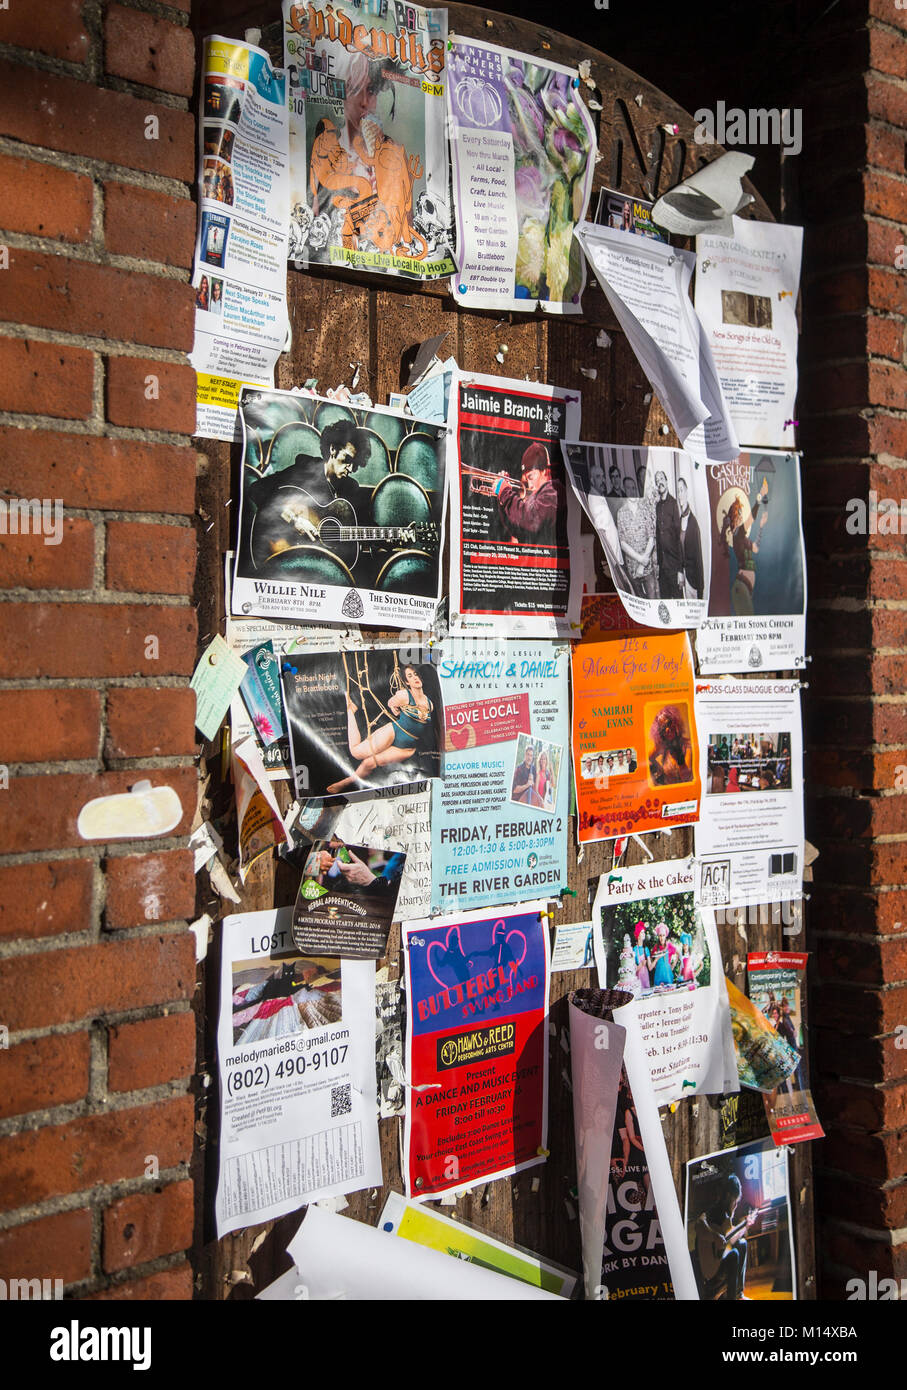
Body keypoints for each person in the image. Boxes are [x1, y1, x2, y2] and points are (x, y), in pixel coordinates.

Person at [326, 663, 435, 793]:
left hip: (407, 747)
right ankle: (351, 709)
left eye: (416, 674)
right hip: (394, 732)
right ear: (407, 681)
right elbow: (391, 703)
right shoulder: (404, 695)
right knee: (356, 752)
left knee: (369, 763)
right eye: (410, 676)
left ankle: (347, 782)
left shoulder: (430, 703)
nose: (415, 678)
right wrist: (396, 711)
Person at [493, 442, 565, 544]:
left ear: (544, 470)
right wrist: (502, 498)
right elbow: (517, 529)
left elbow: (531, 520)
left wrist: (505, 493)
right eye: (527, 480)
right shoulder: (537, 497)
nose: (530, 485)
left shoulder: (554, 489)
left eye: (531, 477)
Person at [695, 1174, 753, 1300]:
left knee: (742, 1243)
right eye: (735, 1202)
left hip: (717, 1265)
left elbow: (731, 1238)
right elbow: (699, 1223)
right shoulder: (715, 1211)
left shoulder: (725, 1215)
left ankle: (738, 1295)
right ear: (728, 1196)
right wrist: (714, 1236)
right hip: (709, 1274)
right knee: (734, 1255)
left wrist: (745, 1226)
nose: (736, 1206)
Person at [722, 480, 769, 616]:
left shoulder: (742, 537)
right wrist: (760, 496)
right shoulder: (737, 533)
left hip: (746, 588)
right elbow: (752, 517)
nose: (742, 515)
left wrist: (761, 527)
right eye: (740, 512)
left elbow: (755, 548)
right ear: (735, 515)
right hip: (741, 586)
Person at [616, 493, 657, 599]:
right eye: (628, 489)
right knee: (639, 606)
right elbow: (623, 543)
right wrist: (640, 559)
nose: (632, 491)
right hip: (632, 569)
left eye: (634, 488)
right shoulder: (621, 513)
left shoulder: (645, 510)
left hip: (647, 568)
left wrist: (642, 565)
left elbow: (652, 539)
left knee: (652, 603)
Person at [654, 469, 684, 599]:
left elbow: (680, 539)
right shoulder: (657, 506)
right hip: (662, 567)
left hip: (674, 566)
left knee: (678, 604)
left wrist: (680, 571)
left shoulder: (674, 504)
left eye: (661, 479)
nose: (659, 482)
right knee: (665, 604)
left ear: (666, 481)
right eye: (657, 480)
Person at [649, 705, 694, 785]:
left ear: (675, 722)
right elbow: (649, 758)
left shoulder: (687, 744)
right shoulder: (663, 746)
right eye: (663, 728)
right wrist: (659, 770)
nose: (667, 729)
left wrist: (679, 755)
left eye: (668, 723)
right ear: (660, 732)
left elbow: (686, 777)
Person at [677, 476, 704, 600]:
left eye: (681, 490)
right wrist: (680, 572)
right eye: (678, 491)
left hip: (693, 581)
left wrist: (700, 587)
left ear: (687, 491)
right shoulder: (679, 520)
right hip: (683, 578)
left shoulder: (693, 523)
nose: (680, 494)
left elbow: (698, 558)